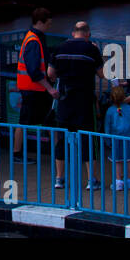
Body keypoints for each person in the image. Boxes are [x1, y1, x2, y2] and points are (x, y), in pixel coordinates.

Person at [49, 20, 105, 190]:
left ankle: (59, 178)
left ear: (73, 33)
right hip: (84, 102)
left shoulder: (59, 48)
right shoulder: (92, 49)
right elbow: (102, 74)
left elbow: (50, 74)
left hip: (64, 102)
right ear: (87, 34)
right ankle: (91, 180)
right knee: (88, 139)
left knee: (62, 139)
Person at [14, 7, 57, 155]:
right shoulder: (33, 41)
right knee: (26, 121)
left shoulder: (35, 37)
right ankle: (17, 152)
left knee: (47, 120)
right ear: (40, 22)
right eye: (48, 24)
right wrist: (50, 88)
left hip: (36, 88)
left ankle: (57, 152)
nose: (49, 27)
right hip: (33, 89)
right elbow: (34, 71)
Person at [104, 85, 130, 191]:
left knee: (117, 161)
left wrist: (108, 141)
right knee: (128, 160)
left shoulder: (110, 111)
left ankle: (118, 181)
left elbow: (107, 127)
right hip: (128, 138)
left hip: (115, 139)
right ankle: (129, 181)